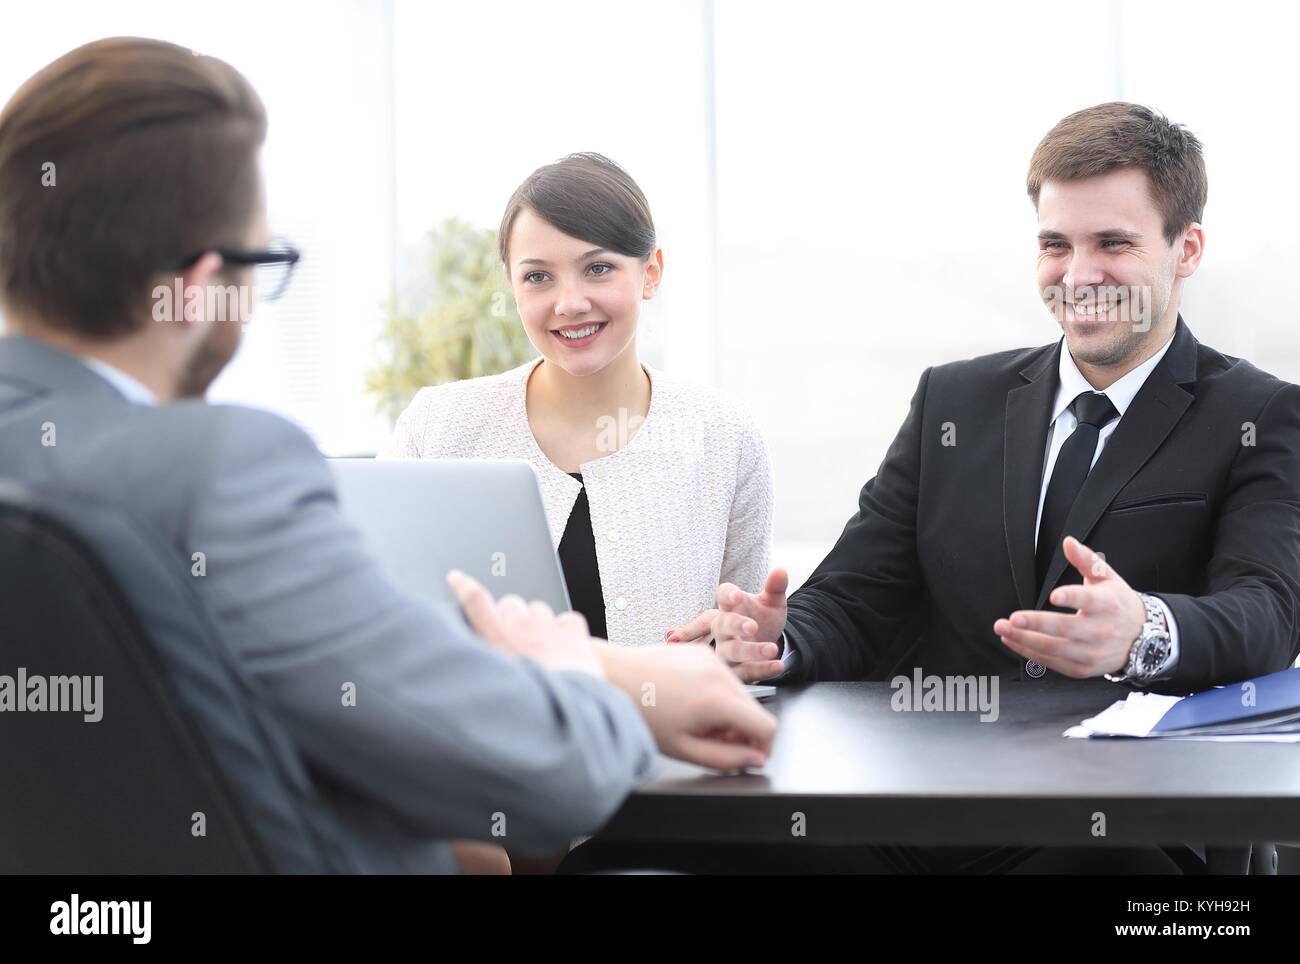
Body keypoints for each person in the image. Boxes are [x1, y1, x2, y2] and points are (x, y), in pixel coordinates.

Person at [0, 37, 775, 875]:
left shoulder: (719, 433)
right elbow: (553, 772)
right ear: (204, 281)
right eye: (268, 266)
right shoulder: (224, 474)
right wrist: (574, 667)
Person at [663, 101, 1300, 874]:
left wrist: (1143, 631)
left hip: (1119, 825)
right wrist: (777, 641)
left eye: (1114, 243)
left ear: (1186, 248)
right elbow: (857, 597)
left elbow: (1267, 614)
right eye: (1055, 245)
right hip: (924, 805)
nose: (1079, 274)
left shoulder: (1261, 414)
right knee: (668, 846)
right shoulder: (952, 403)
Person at [380, 153, 773, 647]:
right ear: (513, 287)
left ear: (651, 272)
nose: (569, 303)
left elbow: (744, 644)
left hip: (664, 727)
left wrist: (746, 646)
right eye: (538, 277)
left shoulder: (722, 434)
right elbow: (377, 617)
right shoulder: (438, 426)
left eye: (599, 268)